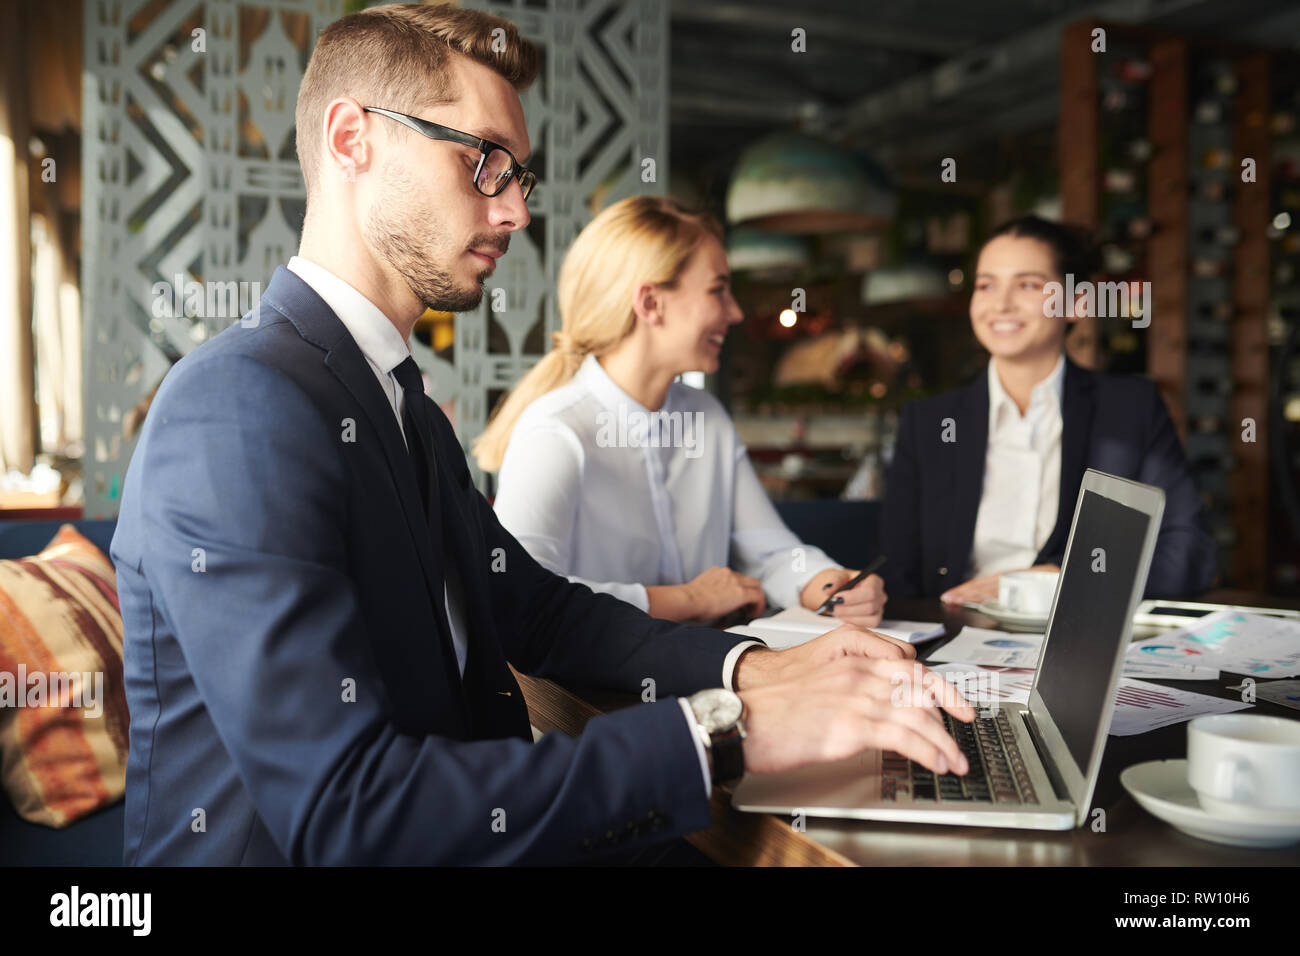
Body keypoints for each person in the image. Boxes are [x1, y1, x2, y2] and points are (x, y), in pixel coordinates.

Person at [111, 3, 972, 866]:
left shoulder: (397, 401)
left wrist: (753, 669)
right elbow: (347, 813)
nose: (516, 210)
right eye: (485, 161)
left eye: (519, 174)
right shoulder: (238, 403)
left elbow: (541, 612)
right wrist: (729, 727)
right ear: (351, 139)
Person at [477, 196, 888, 628]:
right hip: (589, 692)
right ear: (651, 303)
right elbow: (520, 597)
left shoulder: (707, 417)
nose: (736, 312)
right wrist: (688, 599)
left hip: (705, 679)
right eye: (718, 290)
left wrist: (827, 584)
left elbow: (770, 550)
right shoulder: (556, 431)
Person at [881, 215, 1216, 604]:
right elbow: (895, 569)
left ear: (1076, 303)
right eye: (986, 285)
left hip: (1082, 635)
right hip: (954, 641)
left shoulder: (1130, 409)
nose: (1001, 304)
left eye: (1028, 284)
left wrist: (1063, 579)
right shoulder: (929, 423)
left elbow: (1190, 554)